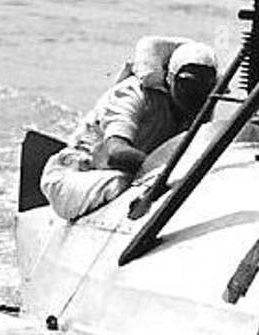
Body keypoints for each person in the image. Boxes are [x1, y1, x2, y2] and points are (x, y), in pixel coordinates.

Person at [41, 37, 217, 220]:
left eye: (204, 86)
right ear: (170, 78)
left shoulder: (203, 105)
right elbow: (116, 152)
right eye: (187, 83)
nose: (195, 93)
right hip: (76, 176)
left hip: (137, 175)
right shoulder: (132, 94)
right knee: (121, 183)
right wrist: (162, 168)